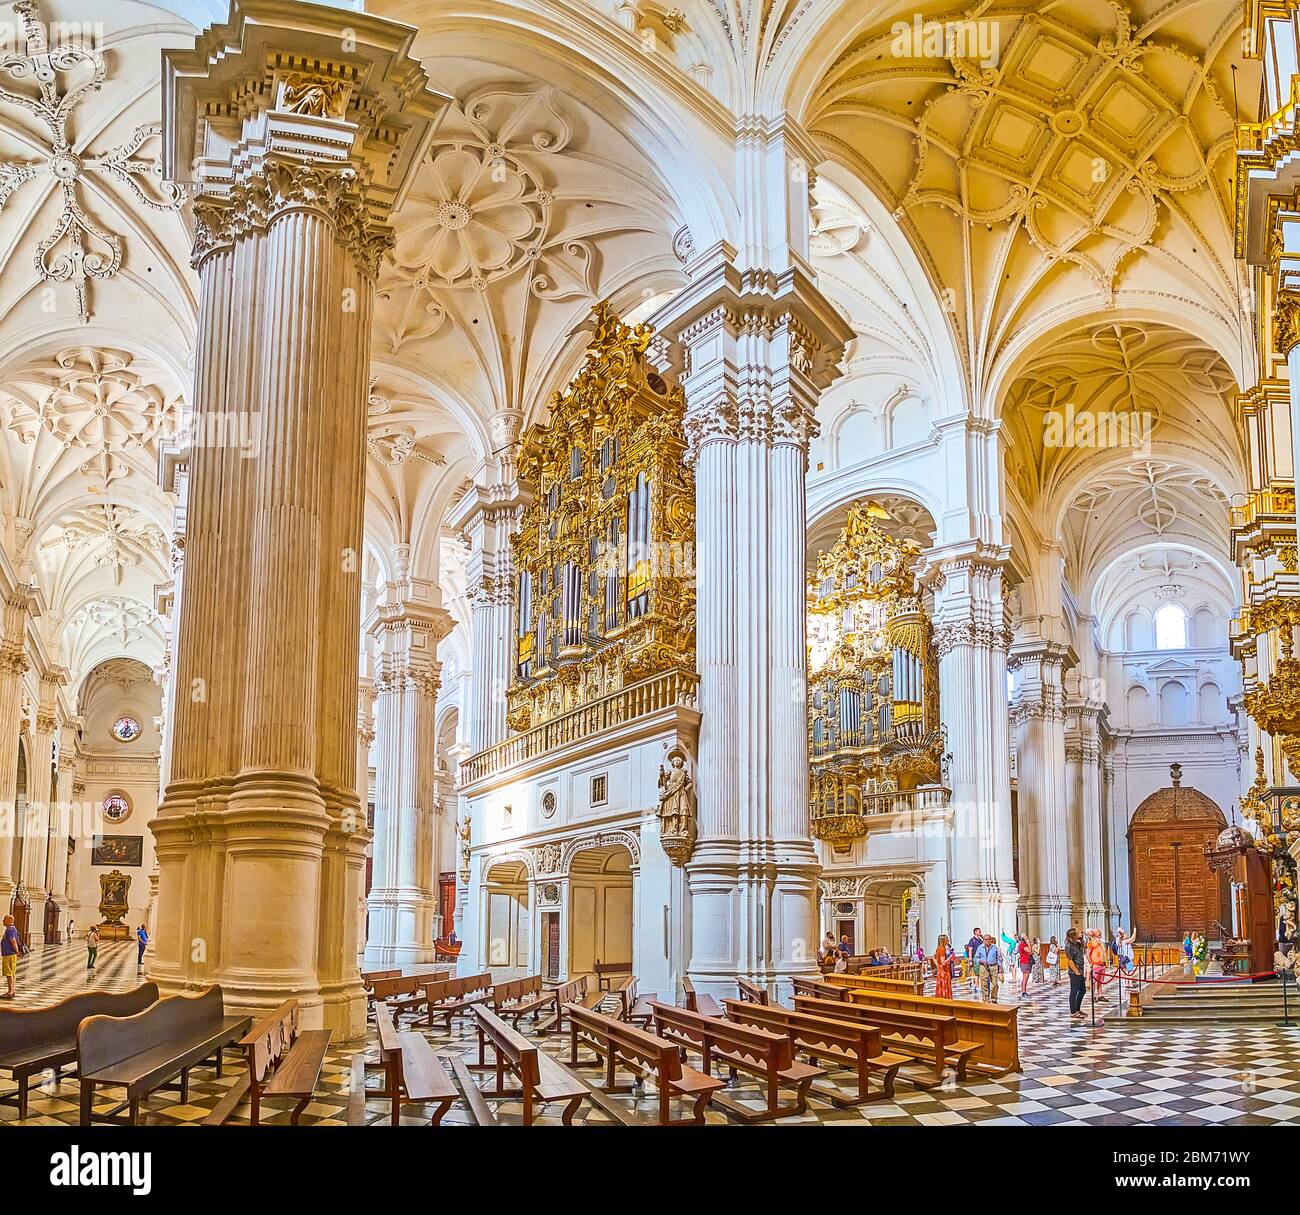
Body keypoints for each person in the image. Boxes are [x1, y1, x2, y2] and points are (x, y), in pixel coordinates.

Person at [974, 933, 1002, 1003]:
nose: (988, 941)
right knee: (984, 984)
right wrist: (981, 961)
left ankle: (993, 997)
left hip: (993, 966)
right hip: (983, 967)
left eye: (989, 939)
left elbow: (999, 958)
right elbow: (976, 958)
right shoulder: (980, 947)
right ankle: (986, 999)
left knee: (995, 983)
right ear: (983, 940)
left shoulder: (994, 947)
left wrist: (1000, 968)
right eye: (986, 939)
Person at [1065, 928, 1086, 1018]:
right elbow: (1069, 960)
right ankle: (1073, 1012)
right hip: (1074, 972)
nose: (1079, 933)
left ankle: (1077, 1009)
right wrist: (1076, 971)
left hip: (1080, 970)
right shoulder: (1069, 945)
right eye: (1077, 933)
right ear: (1073, 935)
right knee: (1074, 991)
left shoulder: (1077, 943)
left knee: (1082, 990)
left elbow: (1085, 947)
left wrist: (1082, 938)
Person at [1, 914, 19, 999]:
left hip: (9, 954)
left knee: (9, 973)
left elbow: (13, 941)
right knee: (11, 973)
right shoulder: (11, 929)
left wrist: (17, 951)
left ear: (9, 921)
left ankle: (10, 992)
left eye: (4, 919)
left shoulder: (10, 930)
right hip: (10, 954)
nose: (3, 921)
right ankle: (12, 990)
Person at [1085, 928, 1107, 999]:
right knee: (1094, 981)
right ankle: (1093, 996)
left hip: (1102, 964)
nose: (1100, 932)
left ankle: (1100, 995)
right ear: (1094, 934)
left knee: (1100, 981)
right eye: (1098, 932)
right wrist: (1091, 963)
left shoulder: (1100, 941)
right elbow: (1087, 954)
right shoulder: (1091, 942)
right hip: (1096, 964)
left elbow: (1104, 951)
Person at [933, 934, 954, 1000]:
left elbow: (934, 958)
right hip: (944, 971)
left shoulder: (938, 949)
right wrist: (950, 957)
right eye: (947, 939)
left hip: (941, 970)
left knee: (941, 986)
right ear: (943, 940)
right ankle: (945, 1000)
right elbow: (943, 962)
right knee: (944, 986)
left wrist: (938, 966)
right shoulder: (942, 949)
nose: (948, 940)